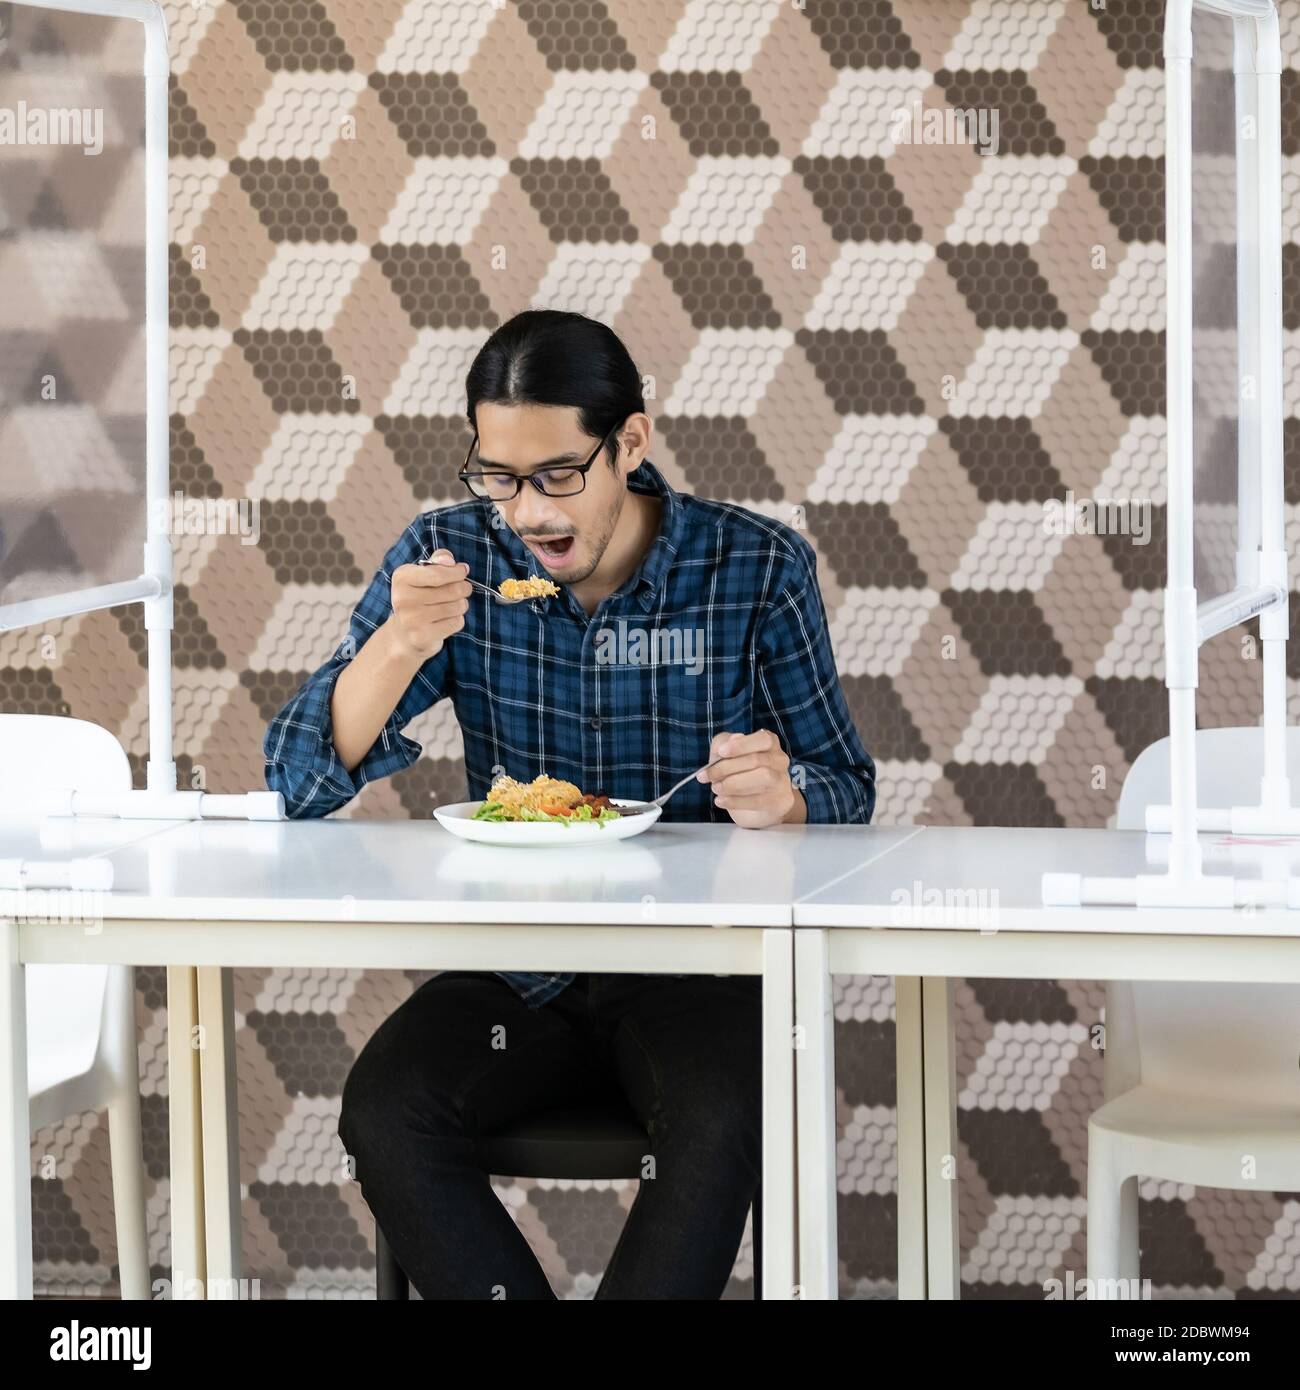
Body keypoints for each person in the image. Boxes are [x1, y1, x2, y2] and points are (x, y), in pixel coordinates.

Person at [263, 309, 874, 1298]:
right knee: (386, 1108)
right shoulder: (450, 557)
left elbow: (846, 785)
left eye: (556, 474)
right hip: (518, 972)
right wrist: (395, 647)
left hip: (695, 971)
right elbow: (295, 779)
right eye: (498, 477)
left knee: (728, 1110)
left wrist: (787, 796)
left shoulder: (756, 568)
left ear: (629, 442)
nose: (528, 512)